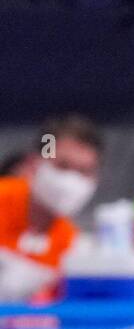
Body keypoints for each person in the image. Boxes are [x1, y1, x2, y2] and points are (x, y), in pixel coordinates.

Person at [0, 114, 101, 305]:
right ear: (34, 163)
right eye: (62, 165)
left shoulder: (72, 244)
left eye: (84, 171)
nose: (71, 181)